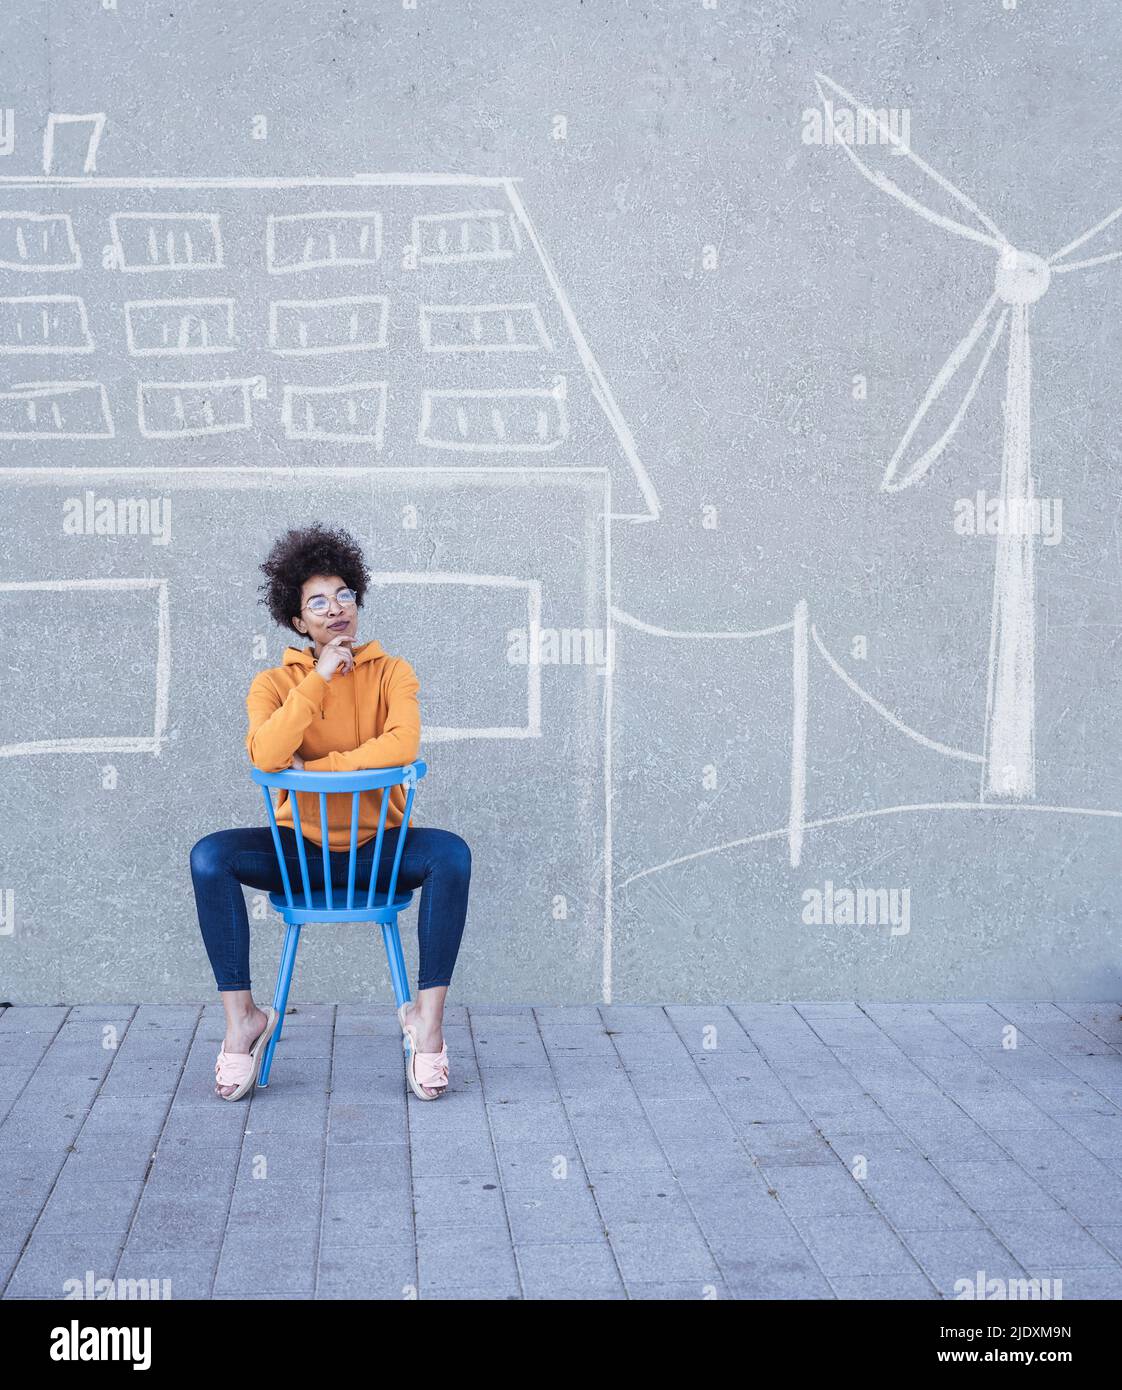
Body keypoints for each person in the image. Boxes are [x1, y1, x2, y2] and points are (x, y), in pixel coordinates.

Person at [189, 523, 471, 1101]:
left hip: (379, 851)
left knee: (453, 855)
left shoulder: (394, 671)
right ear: (298, 621)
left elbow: (403, 747)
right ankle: (243, 1020)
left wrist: (314, 773)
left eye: (344, 595)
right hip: (301, 853)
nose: (335, 609)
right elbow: (266, 755)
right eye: (317, 601)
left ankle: (427, 1024)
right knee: (209, 857)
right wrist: (317, 680)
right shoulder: (273, 684)